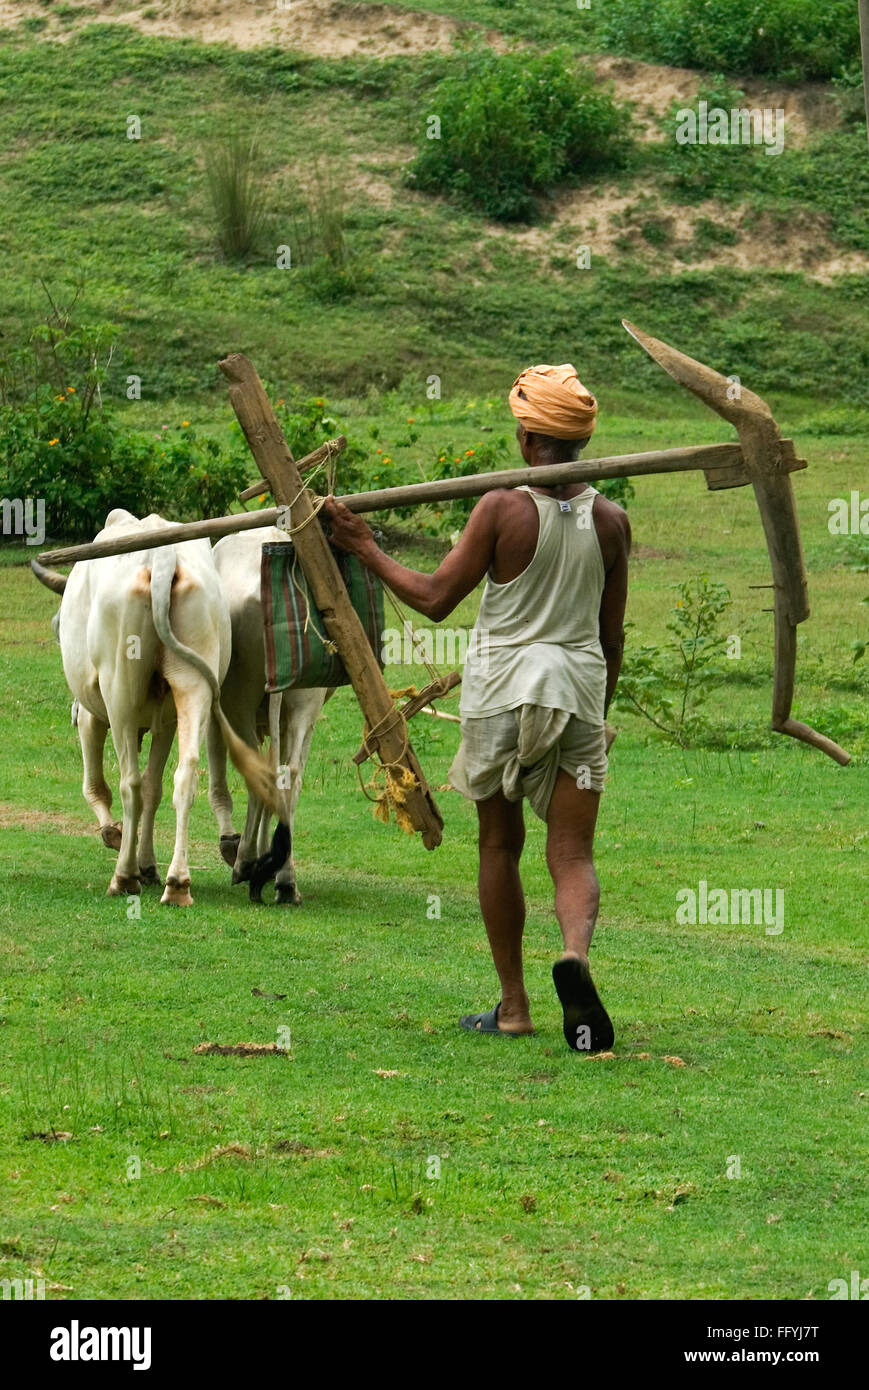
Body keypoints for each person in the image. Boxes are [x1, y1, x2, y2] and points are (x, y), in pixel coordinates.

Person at [323, 363, 630, 1052]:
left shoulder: (500, 507)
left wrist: (364, 546)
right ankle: (574, 961)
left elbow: (434, 599)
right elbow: (611, 638)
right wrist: (594, 717)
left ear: (527, 439)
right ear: (578, 443)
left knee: (499, 843)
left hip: (498, 692)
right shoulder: (611, 521)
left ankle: (515, 1007)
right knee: (572, 850)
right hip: (578, 691)